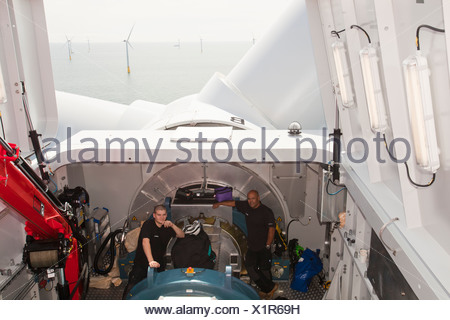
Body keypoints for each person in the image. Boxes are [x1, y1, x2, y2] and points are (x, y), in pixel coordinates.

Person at [212, 190, 278, 299]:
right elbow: (233, 203)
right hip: (252, 246)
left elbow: (272, 230)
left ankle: (267, 291)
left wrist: (268, 245)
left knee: (264, 269)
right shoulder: (246, 206)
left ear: (258, 198)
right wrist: (219, 204)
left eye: (253, 199)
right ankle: (270, 287)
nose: (251, 201)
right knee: (250, 267)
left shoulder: (266, 212)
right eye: (249, 199)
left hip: (263, 246)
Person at [122, 204, 184, 299]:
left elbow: (181, 235)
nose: (161, 217)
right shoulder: (148, 224)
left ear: (166, 215)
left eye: (163, 215)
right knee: (132, 287)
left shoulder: (167, 227)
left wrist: (172, 225)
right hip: (142, 263)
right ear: (154, 215)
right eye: (159, 215)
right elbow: (145, 242)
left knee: (157, 289)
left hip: (159, 264)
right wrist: (151, 261)